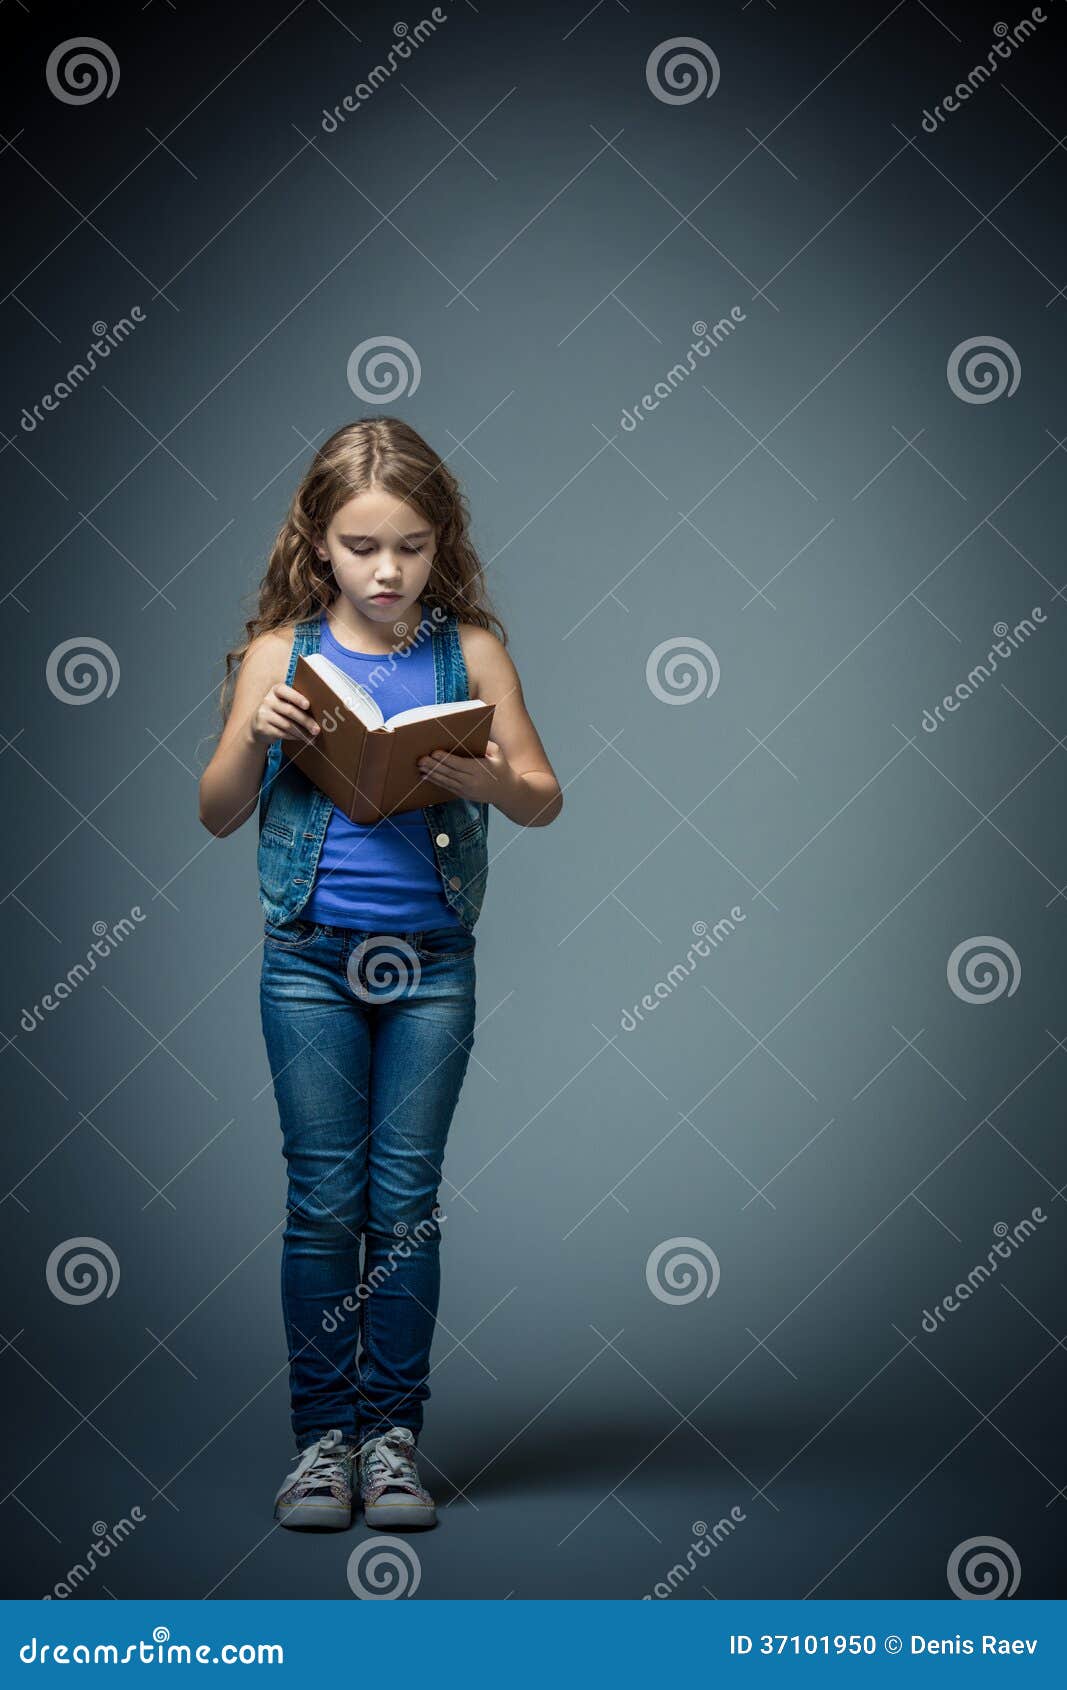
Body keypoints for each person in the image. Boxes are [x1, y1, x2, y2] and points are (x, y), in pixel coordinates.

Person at [199, 416, 562, 1531]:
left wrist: (486, 780)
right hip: (309, 961)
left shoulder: (472, 654)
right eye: (361, 547)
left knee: (403, 1205)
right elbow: (216, 813)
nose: (387, 570)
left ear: (440, 542)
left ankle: (391, 1439)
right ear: (318, 543)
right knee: (322, 1206)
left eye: (410, 545)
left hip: (431, 964)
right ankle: (323, 1443)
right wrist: (255, 736)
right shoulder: (280, 654)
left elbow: (543, 795)